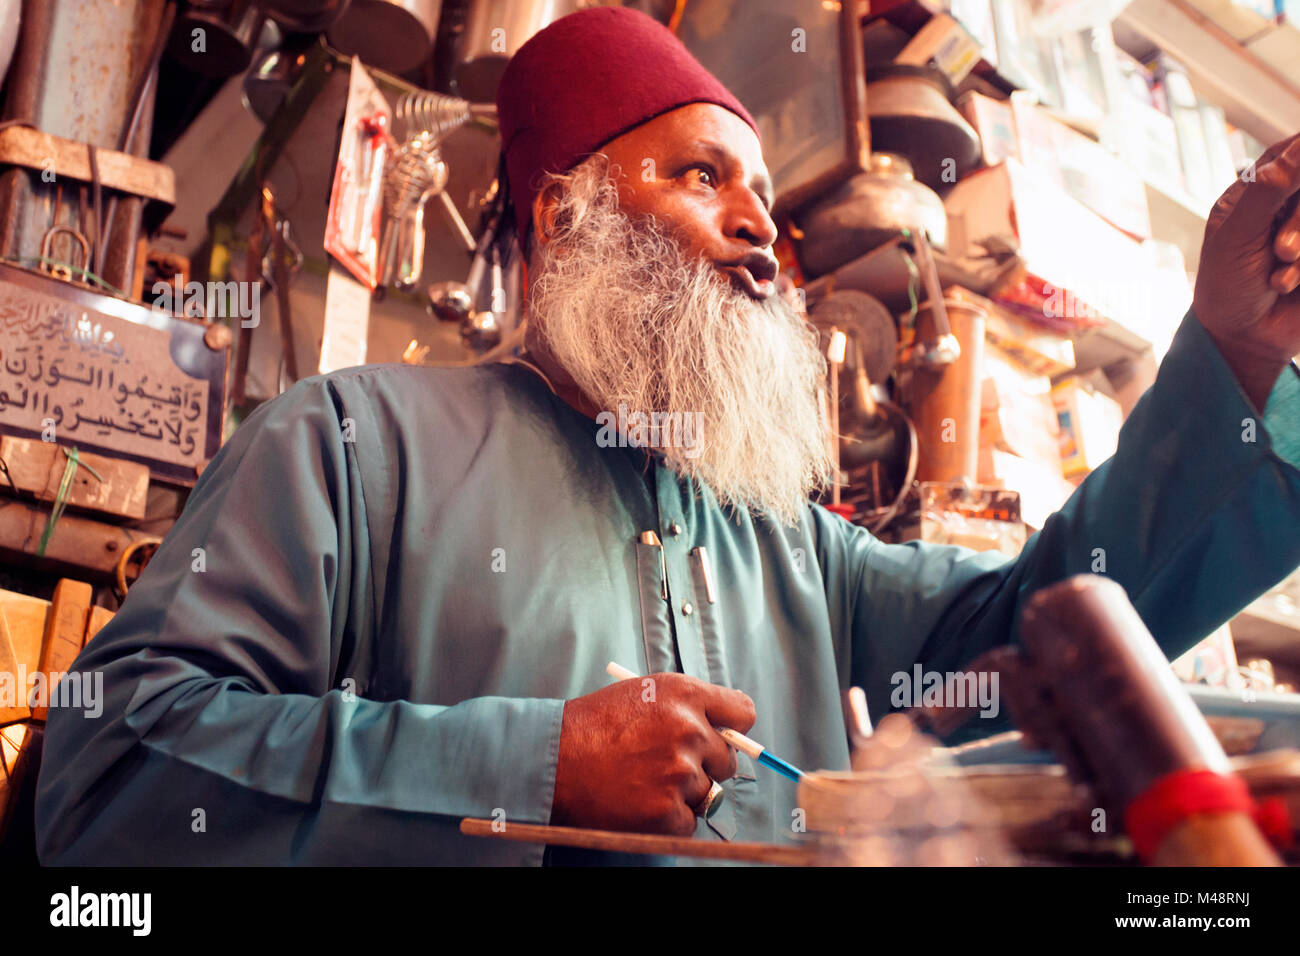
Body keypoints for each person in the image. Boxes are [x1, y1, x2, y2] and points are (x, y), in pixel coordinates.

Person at [37, 7, 1300, 865]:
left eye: (759, 190)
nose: (762, 228)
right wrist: (525, 761)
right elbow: (109, 773)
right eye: (700, 176)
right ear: (562, 212)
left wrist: (1237, 352)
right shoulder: (353, 444)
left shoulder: (794, 543)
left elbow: (1058, 629)